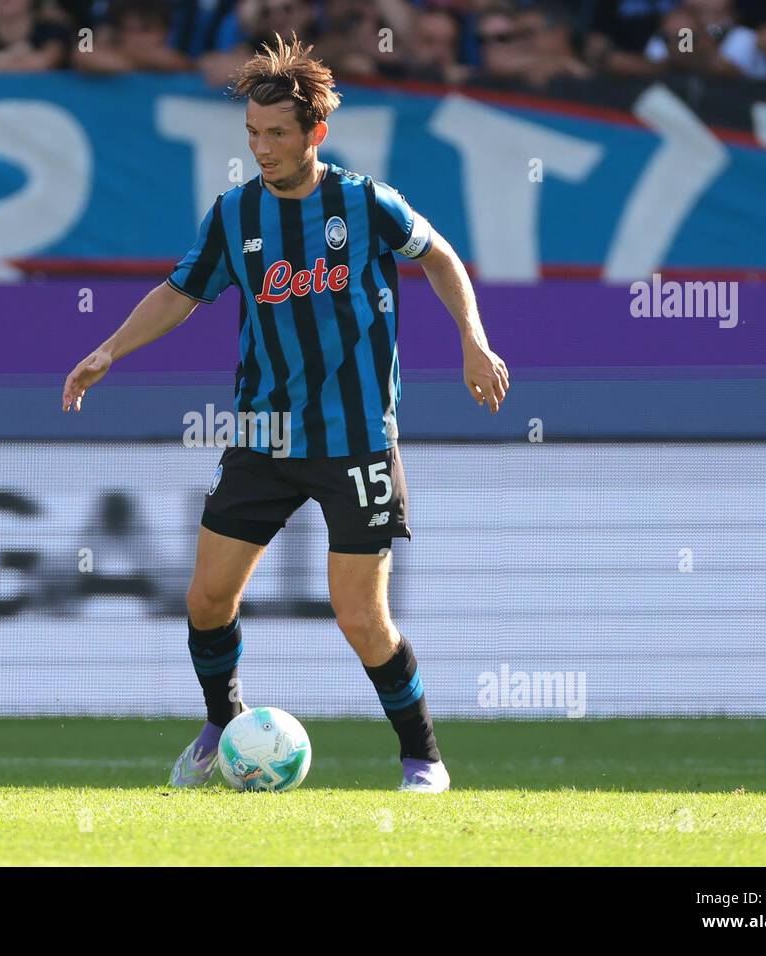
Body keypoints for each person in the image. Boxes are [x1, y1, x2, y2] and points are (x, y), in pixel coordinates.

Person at [60, 34, 510, 794]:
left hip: (357, 439)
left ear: (314, 135)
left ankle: (423, 759)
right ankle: (219, 726)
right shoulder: (234, 214)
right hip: (263, 436)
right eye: (252, 136)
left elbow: (438, 255)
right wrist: (110, 349)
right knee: (207, 598)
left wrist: (473, 339)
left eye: (276, 135)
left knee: (360, 618)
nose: (261, 150)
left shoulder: (363, 201)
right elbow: (181, 291)